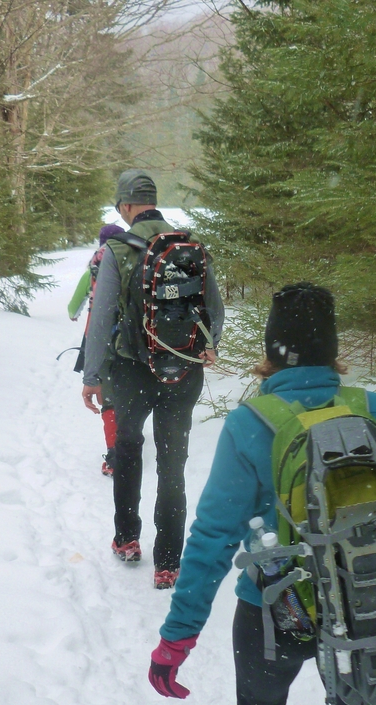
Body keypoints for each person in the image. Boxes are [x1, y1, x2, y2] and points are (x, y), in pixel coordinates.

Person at [147, 284, 376, 705]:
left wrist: (177, 637)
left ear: (270, 352)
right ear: (333, 350)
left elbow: (211, 539)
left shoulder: (251, 422)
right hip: (366, 607)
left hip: (274, 611)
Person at [80, 169, 224, 590]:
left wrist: (91, 376)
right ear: (154, 200)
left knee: (127, 450)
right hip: (182, 368)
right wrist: (207, 344)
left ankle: (127, 538)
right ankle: (168, 562)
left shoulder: (116, 249)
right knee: (172, 461)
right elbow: (214, 306)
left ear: (125, 206)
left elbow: (102, 315)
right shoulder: (188, 244)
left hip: (130, 370)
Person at [68, 223, 124, 476]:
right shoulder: (130, 262)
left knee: (108, 397)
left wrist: (74, 315)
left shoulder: (93, 268)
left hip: (99, 339)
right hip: (129, 338)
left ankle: (114, 454)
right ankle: (130, 439)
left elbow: (73, 306)